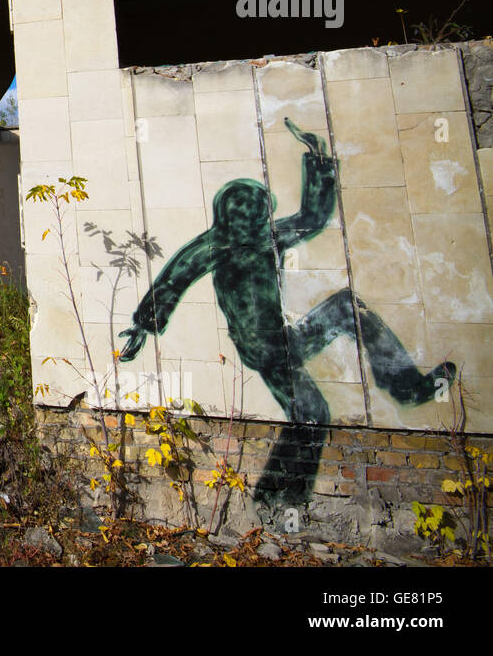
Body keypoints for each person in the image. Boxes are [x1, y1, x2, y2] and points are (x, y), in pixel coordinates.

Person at [118, 117, 456, 508]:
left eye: (255, 212)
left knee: (313, 411)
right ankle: (284, 498)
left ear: (262, 214)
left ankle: (274, 497)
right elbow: (174, 277)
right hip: (263, 348)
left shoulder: (265, 237)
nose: (249, 219)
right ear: (227, 214)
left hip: (282, 341)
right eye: (242, 212)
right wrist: (142, 326)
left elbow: (311, 218)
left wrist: (317, 160)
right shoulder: (216, 245)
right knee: (315, 402)